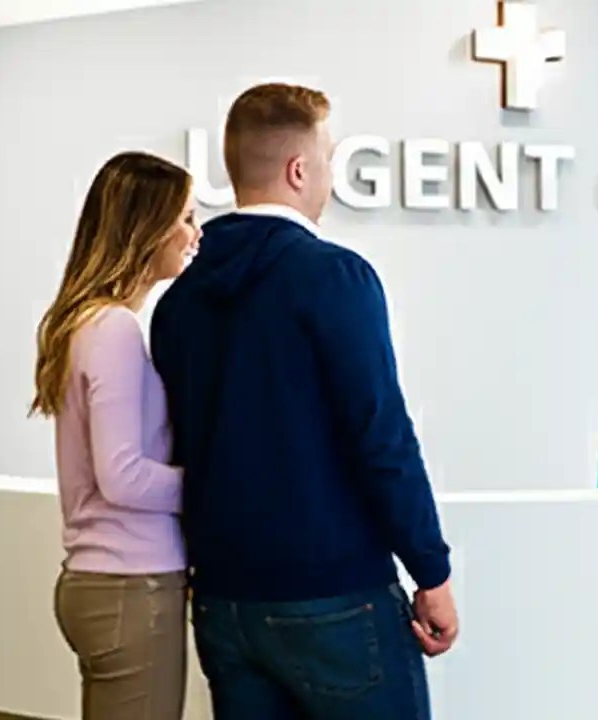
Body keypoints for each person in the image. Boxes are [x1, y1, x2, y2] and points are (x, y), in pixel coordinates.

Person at [149, 82, 458, 720]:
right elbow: (381, 436)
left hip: (223, 601)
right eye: (327, 159)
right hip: (333, 594)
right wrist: (431, 568)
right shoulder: (335, 276)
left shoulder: (178, 301)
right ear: (298, 169)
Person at [29, 151, 202, 719]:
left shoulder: (85, 322)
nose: (195, 234)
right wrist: (216, 489)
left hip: (107, 584)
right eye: (184, 218)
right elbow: (123, 476)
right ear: (144, 227)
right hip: (131, 586)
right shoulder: (113, 328)